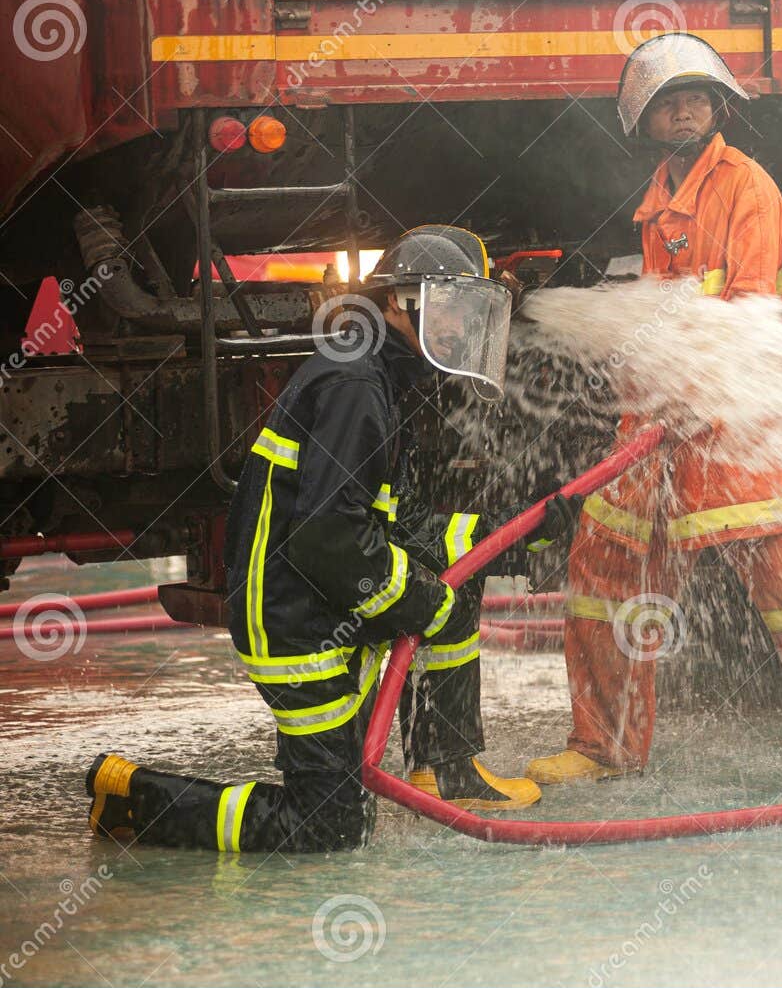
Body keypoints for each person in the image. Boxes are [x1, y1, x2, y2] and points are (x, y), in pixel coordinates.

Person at [87, 224, 550, 853]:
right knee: (328, 825)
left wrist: (512, 537)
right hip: (296, 621)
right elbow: (330, 538)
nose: (462, 329)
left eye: (471, 314)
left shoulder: (382, 373)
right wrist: (420, 602)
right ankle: (133, 800)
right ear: (396, 302)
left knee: (452, 575)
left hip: (324, 601)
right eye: (451, 311)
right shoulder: (356, 386)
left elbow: (388, 518)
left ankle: (446, 765)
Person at [526, 33, 782, 792]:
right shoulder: (659, 204)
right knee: (605, 567)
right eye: (668, 101)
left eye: (695, 95)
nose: (685, 108)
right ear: (646, 124)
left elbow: (747, 313)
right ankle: (603, 746)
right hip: (665, 422)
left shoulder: (746, 187)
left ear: (719, 104)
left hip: (740, 420)